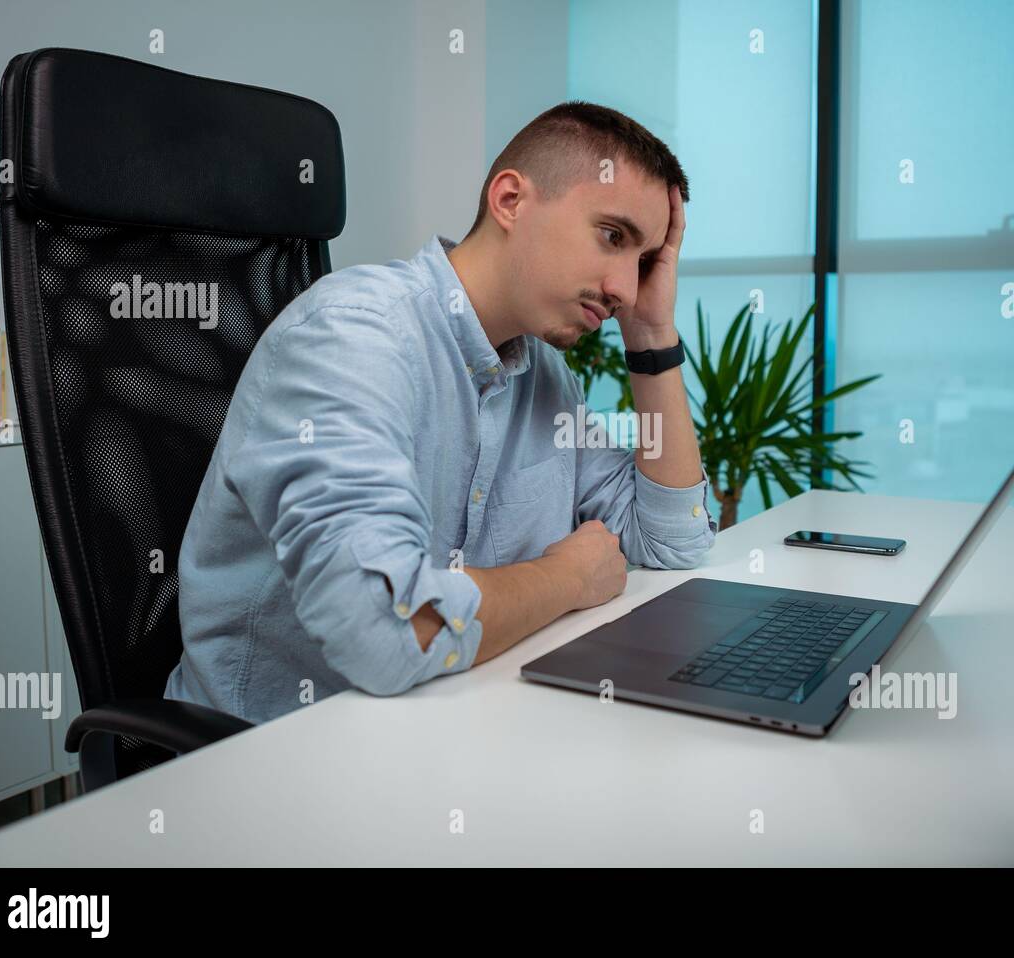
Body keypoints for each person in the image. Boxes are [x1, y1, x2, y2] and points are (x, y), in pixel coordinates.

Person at [164, 101, 716, 723]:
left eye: (642, 262)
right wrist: (565, 578)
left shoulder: (544, 376)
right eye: (612, 237)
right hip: (268, 758)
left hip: (452, 726)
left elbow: (673, 539)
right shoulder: (355, 336)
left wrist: (651, 334)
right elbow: (383, 627)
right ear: (510, 200)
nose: (624, 286)